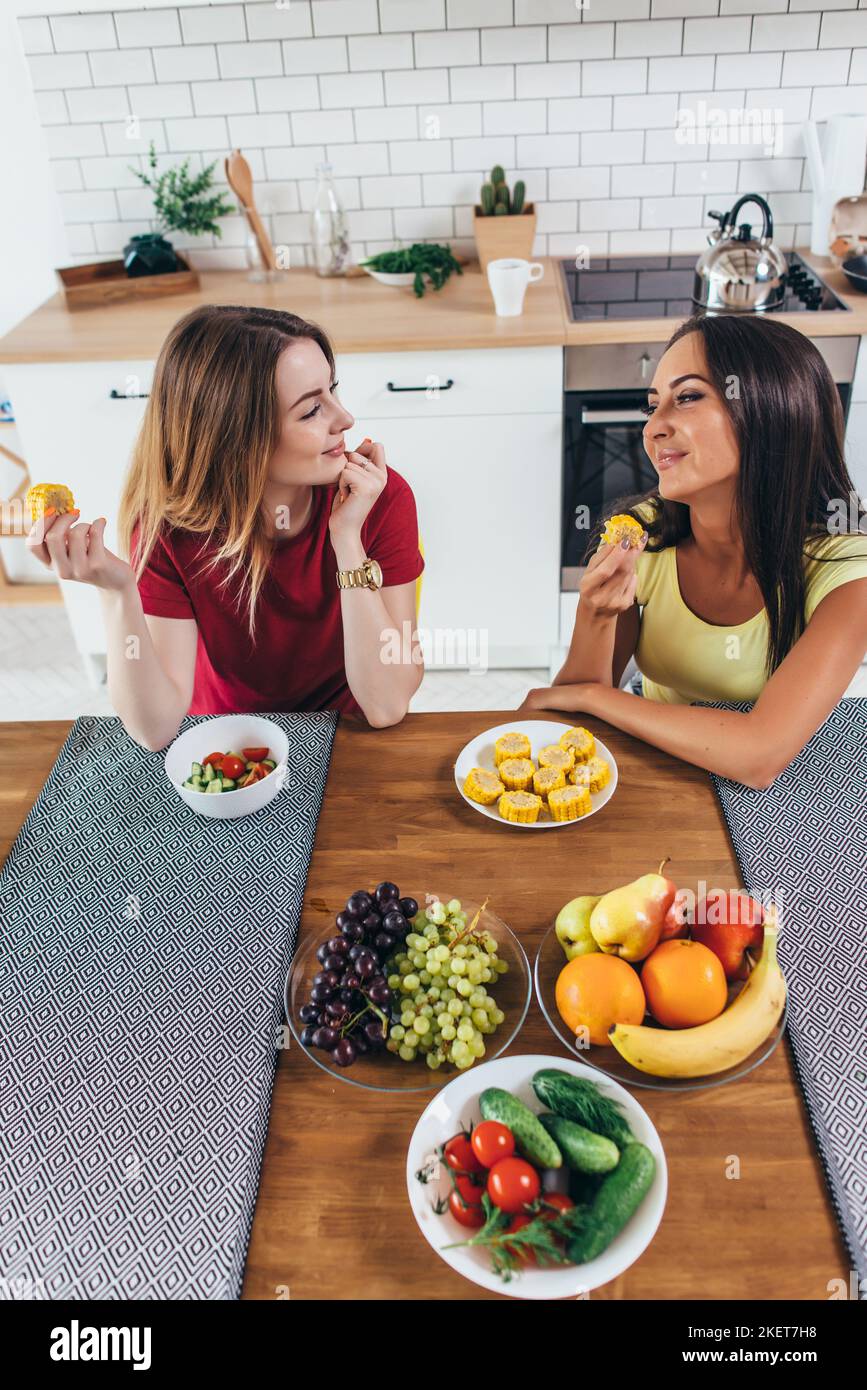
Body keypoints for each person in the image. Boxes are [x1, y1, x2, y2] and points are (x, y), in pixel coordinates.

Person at [26, 305, 424, 749]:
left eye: (332, 390)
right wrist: (117, 592)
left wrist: (347, 540)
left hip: (347, 730)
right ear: (236, 437)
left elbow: (387, 705)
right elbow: (153, 730)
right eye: (312, 410)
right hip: (228, 741)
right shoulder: (168, 529)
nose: (345, 418)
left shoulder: (379, 499)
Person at [521, 312, 867, 789]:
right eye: (652, 406)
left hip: (784, 792)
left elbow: (760, 756)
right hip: (658, 770)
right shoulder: (641, 537)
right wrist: (596, 613)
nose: (654, 428)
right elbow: (568, 716)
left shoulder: (848, 573)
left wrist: (596, 700)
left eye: (686, 397)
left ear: (773, 410)